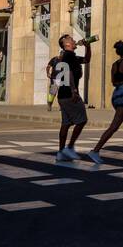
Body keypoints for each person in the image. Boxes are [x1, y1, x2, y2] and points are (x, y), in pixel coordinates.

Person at [48, 33, 92, 161]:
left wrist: (88, 47)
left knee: (66, 124)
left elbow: (86, 60)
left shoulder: (67, 56)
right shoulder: (69, 55)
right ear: (66, 44)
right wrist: (74, 91)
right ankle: (70, 147)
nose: (74, 41)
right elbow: (69, 72)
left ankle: (61, 152)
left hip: (63, 96)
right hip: (69, 94)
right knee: (82, 120)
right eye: (71, 40)